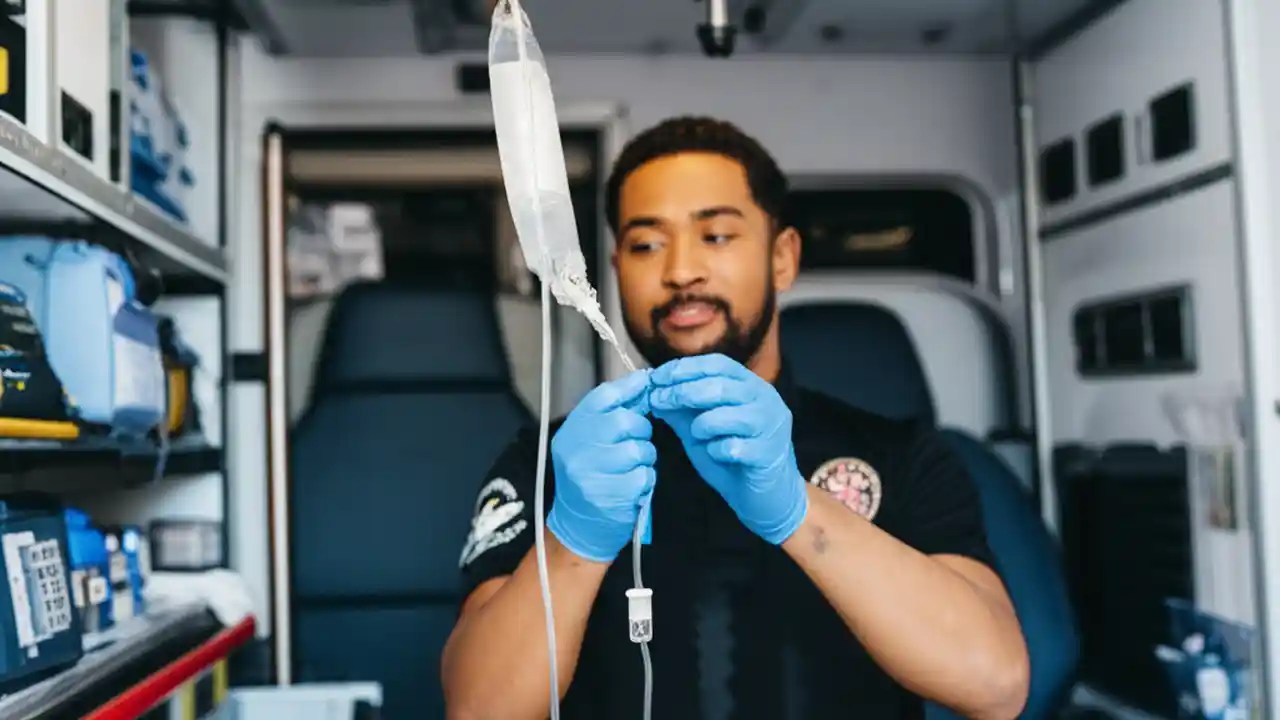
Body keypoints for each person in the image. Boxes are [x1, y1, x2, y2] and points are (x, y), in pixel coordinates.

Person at [441, 116, 1029, 719]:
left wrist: (799, 512)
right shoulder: (553, 461)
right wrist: (575, 538)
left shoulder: (900, 453)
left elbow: (996, 684)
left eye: (716, 236)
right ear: (616, 269)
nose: (680, 271)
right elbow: (479, 710)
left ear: (782, 257)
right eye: (647, 244)